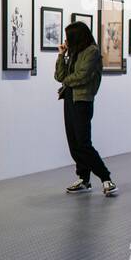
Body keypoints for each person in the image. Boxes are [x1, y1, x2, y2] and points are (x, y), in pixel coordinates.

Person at [55, 20, 116, 196]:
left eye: (68, 37)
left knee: (83, 143)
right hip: (69, 98)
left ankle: (106, 178)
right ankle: (84, 178)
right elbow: (59, 76)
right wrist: (62, 55)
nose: (66, 41)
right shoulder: (73, 52)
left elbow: (81, 76)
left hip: (82, 100)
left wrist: (67, 79)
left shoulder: (92, 52)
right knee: (73, 142)